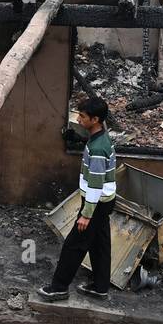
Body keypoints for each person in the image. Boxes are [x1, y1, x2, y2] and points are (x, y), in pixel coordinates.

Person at [39, 97, 116, 300]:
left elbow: (95, 184)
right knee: (100, 245)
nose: (79, 119)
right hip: (104, 202)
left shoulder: (98, 149)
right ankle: (100, 288)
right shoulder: (100, 137)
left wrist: (86, 214)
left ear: (95, 119)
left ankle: (59, 287)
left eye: (82, 116)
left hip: (96, 203)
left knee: (74, 245)